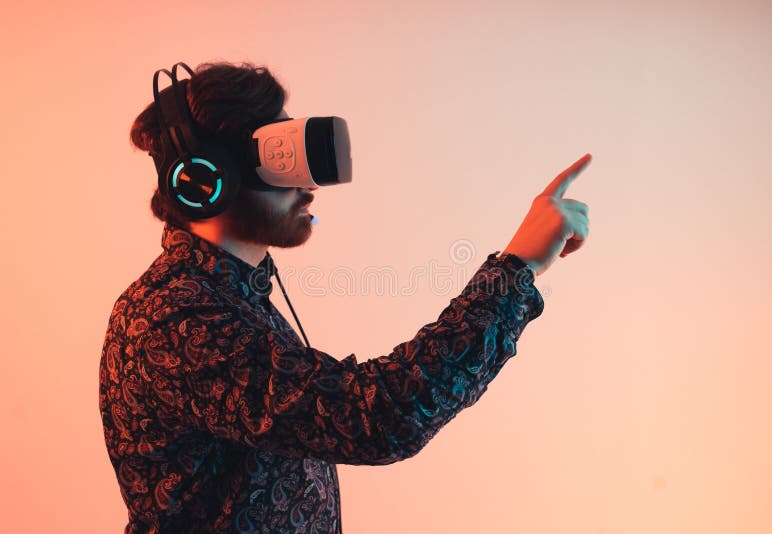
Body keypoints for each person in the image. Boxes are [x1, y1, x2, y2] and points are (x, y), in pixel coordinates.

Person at [99, 61, 591, 533]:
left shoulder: (229, 295)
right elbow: (376, 417)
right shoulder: (173, 318)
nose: (309, 184)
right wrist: (517, 268)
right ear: (206, 179)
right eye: (277, 159)